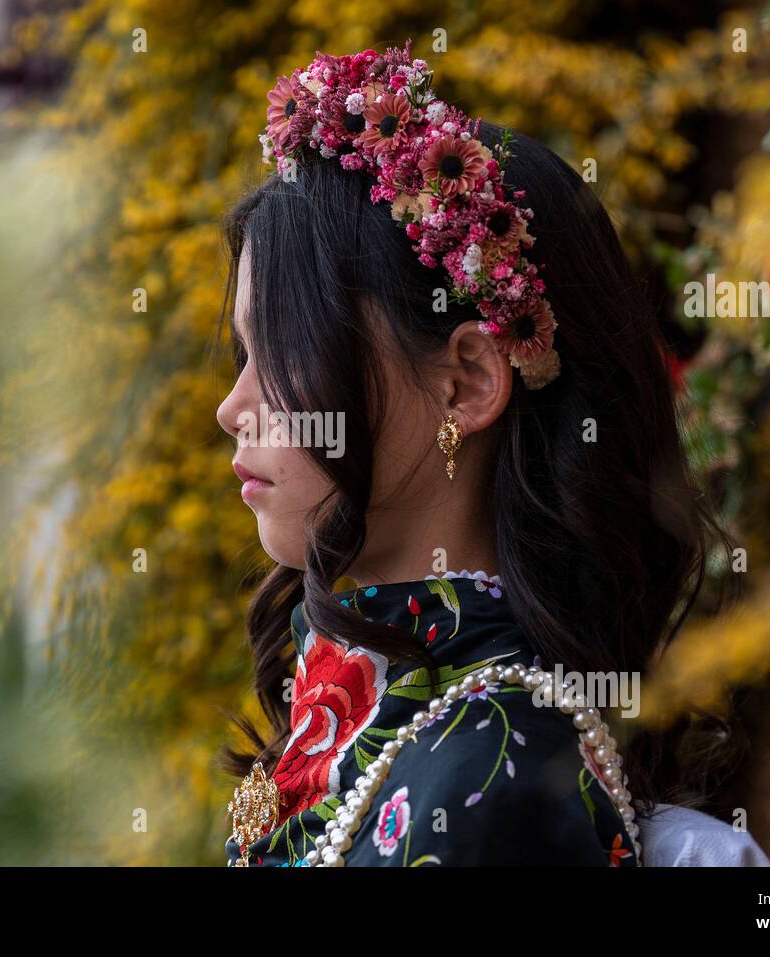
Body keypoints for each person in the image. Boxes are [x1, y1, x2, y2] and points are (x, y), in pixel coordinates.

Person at [215, 41, 736, 867]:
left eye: (281, 353)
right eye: (242, 356)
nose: (231, 407)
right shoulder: (388, 735)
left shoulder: (502, 775)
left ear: (467, 383)